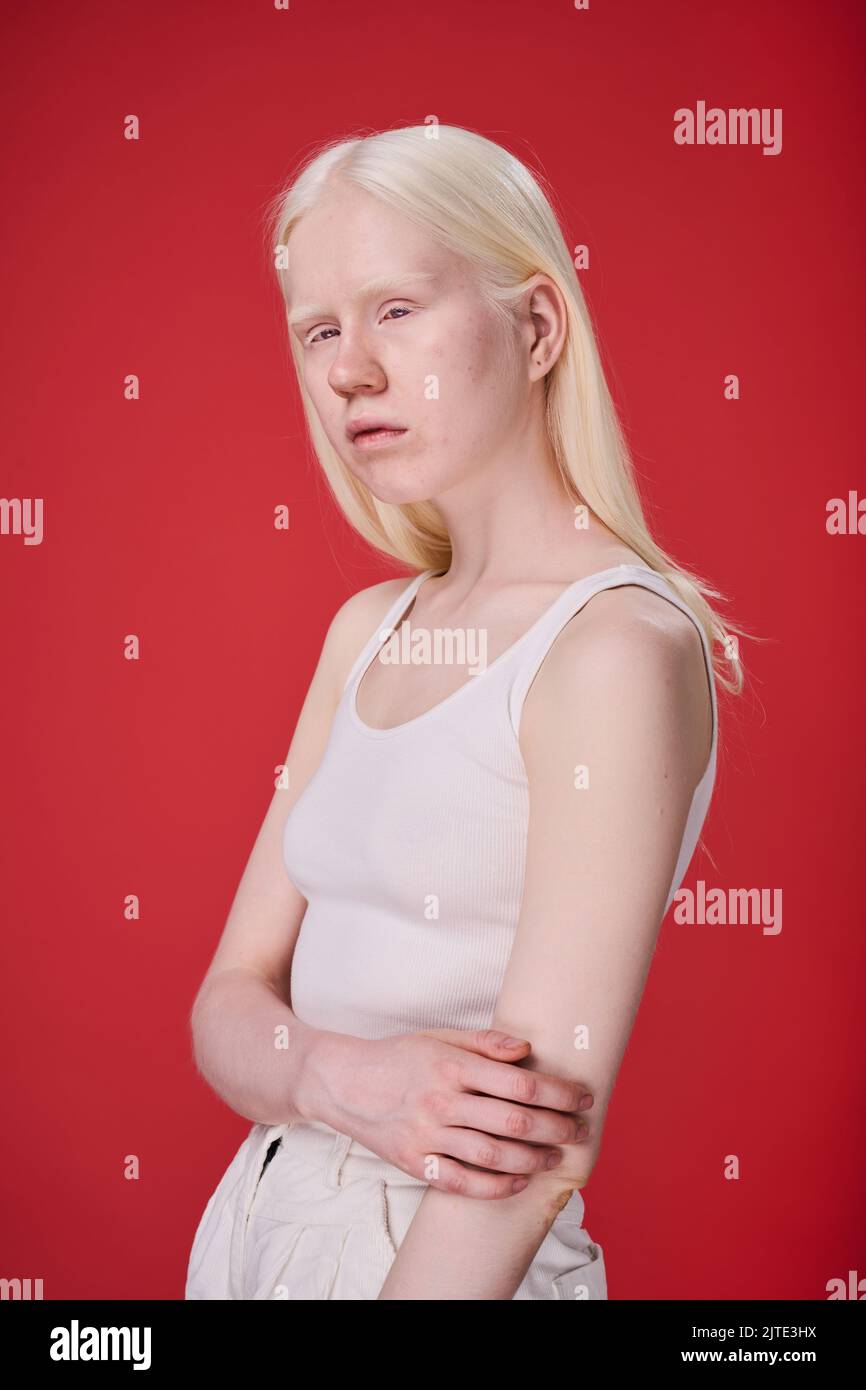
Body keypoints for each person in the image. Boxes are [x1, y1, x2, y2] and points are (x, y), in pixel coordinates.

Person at [184, 123, 746, 1300]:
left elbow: (534, 1159)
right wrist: (340, 1075)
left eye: (395, 309)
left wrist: (310, 1077)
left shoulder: (610, 652)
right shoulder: (366, 631)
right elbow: (224, 1004)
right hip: (258, 1227)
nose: (348, 370)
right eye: (319, 330)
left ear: (535, 327)